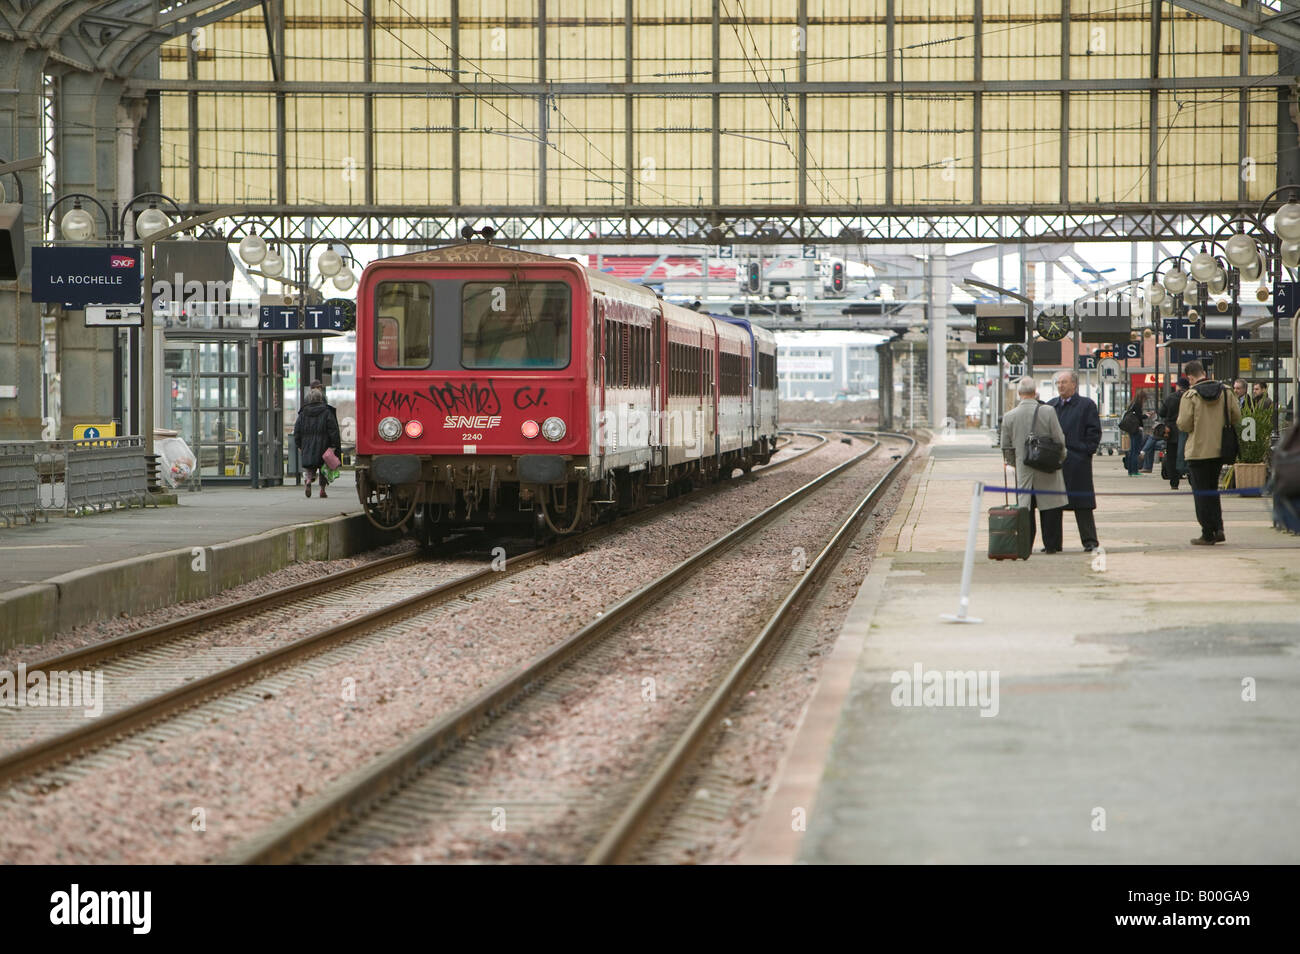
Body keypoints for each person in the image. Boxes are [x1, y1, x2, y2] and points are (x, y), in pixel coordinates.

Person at [1000, 376, 1069, 552]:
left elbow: (1006, 447)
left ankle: (1025, 545)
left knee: (1026, 510)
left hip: (1024, 470)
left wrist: (1014, 464)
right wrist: (1059, 459)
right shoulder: (1048, 411)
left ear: (1019, 393)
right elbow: (1059, 439)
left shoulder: (1009, 417)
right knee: (1050, 508)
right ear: (1035, 392)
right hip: (1048, 467)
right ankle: (1052, 545)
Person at [1176, 360, 1241, 545]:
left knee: (1201, 493)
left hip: (1198, 451)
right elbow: (1236, 415)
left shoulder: (1190, 396)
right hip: (1220, 449)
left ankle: (1207, 533)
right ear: (1203, 372)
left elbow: (1183, 424)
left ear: (1189, 377)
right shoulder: (1226, 391)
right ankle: (1219, 528)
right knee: (1213, 490)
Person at [1047, 370, 1101, 551]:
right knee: (1053, 505)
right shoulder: (1051, 407)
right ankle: (1053, 544)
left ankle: (1090, 541)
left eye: (1064, 382)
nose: (1060, 386)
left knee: (1082, 504)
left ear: (1074, 385)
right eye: (1058, 383)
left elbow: (1094, 432)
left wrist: (1085, 452)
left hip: (1078, 463)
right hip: (1055, 463)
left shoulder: (1086, 405)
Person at [293, 386, 341, 499]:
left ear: (309, 399)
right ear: (321, 399)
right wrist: (334, 445)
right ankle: (322, 490)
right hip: (324, 445)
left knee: (310, 466)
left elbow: (297, 431)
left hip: (307, 445)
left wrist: (299, 445)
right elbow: (333, 430)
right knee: (323, 467)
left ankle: (309, 480)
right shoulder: (327, 411)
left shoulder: (303, 413)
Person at [1159, 376, 1190, 490]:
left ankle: (1174, 482)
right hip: (1187, 430)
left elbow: (1162, 412)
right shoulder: (1191, 397)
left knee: (1171, 456)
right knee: (1188, 454)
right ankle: (1190, 476)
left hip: (1171, 431)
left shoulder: (1170, 398)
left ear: (1178, 386)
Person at [1120, 395, 1146, 476]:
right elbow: (1139, 417)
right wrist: (1146, 416)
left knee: (1132, 451)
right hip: (1136, 430)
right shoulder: (1137, 405)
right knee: (1136, 451)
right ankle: (1135, 471)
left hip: (1131, 430)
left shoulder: (1131, 405)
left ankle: (1130, 471)